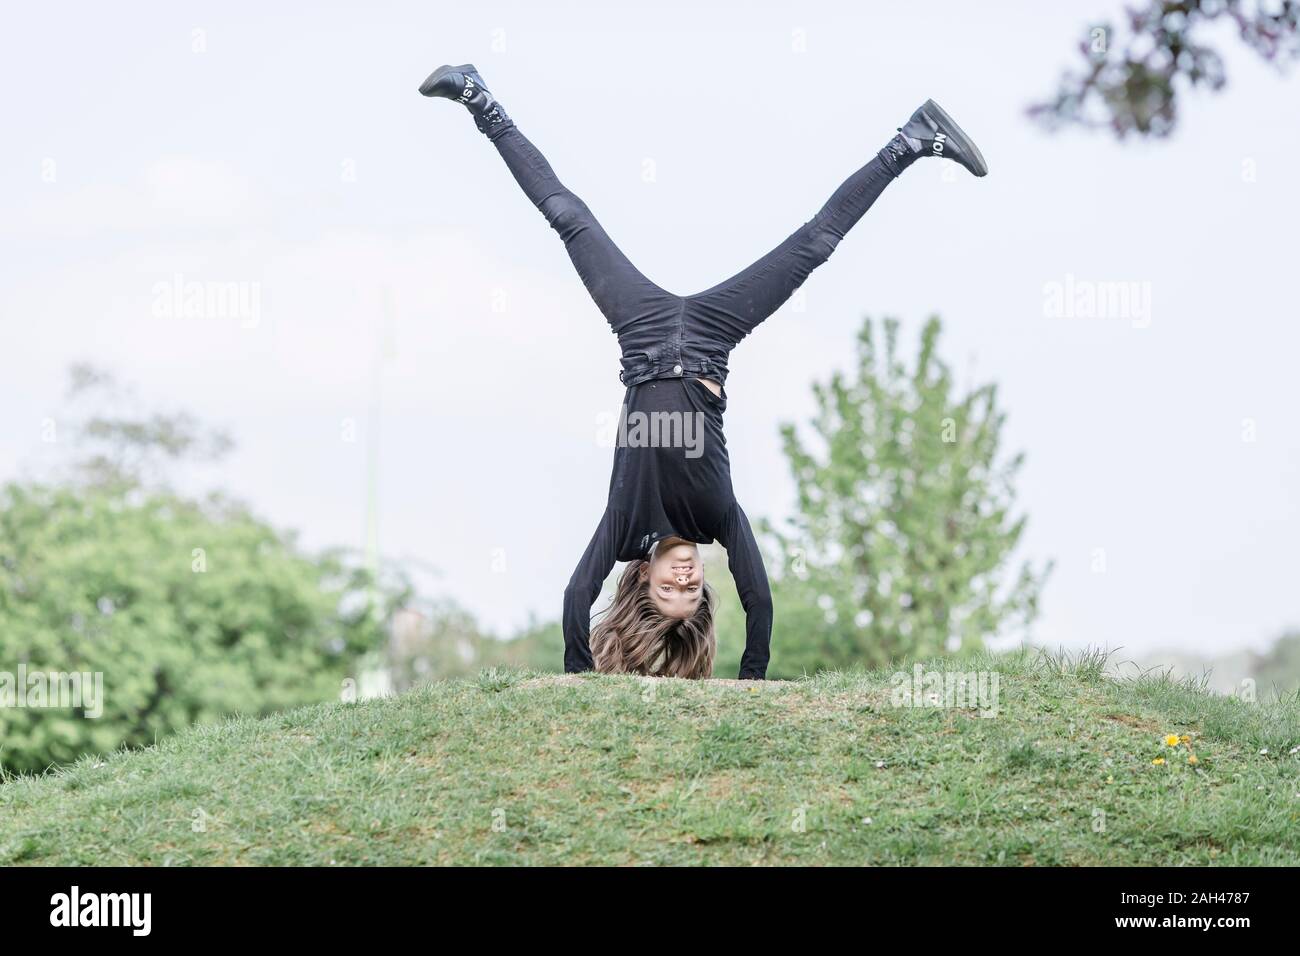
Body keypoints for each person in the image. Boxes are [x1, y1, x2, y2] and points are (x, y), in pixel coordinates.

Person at [418, 63, 987, 680]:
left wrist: (577, 683)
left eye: (671, 590)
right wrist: (753, 678)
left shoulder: (621, 527)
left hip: (641, 333)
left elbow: (574, 600)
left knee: (569, 218)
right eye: (692, 592)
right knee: (811, 248)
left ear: (645, 579)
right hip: (713, 337)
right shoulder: (719, 518)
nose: (686, 579)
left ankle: (479, 100)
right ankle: (912, 140)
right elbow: (760, 598)